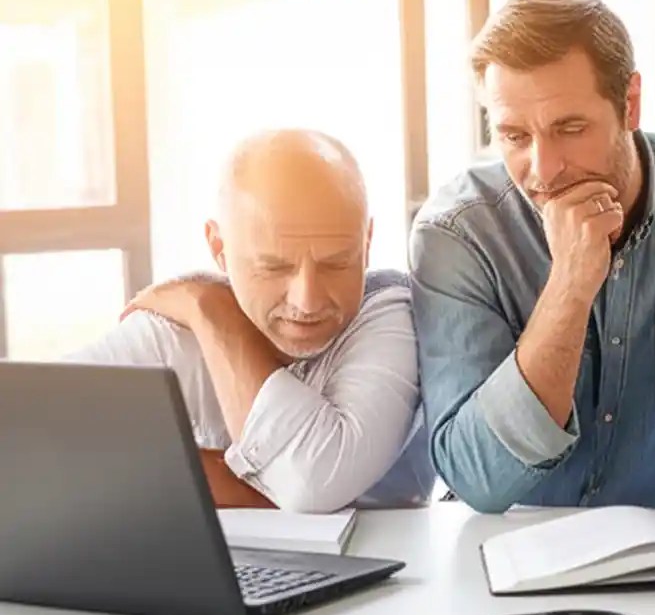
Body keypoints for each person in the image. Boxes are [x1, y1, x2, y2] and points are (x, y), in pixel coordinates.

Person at [411, 0, 655, 513]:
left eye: (570, 129)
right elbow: (477, 479)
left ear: (629, 103)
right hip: (514, 556)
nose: (543, 170)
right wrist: (571, 283)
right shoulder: (458, 236)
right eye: (514, 136)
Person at [71, 129, 433, 513]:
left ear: (367, 243)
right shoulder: (174, 330)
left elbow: (313, 483)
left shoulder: (388, 311)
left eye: (336, 263)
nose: (307, 301)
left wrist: (212, 311)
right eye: (274, 267)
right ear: (218, 248)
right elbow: (27, 433)